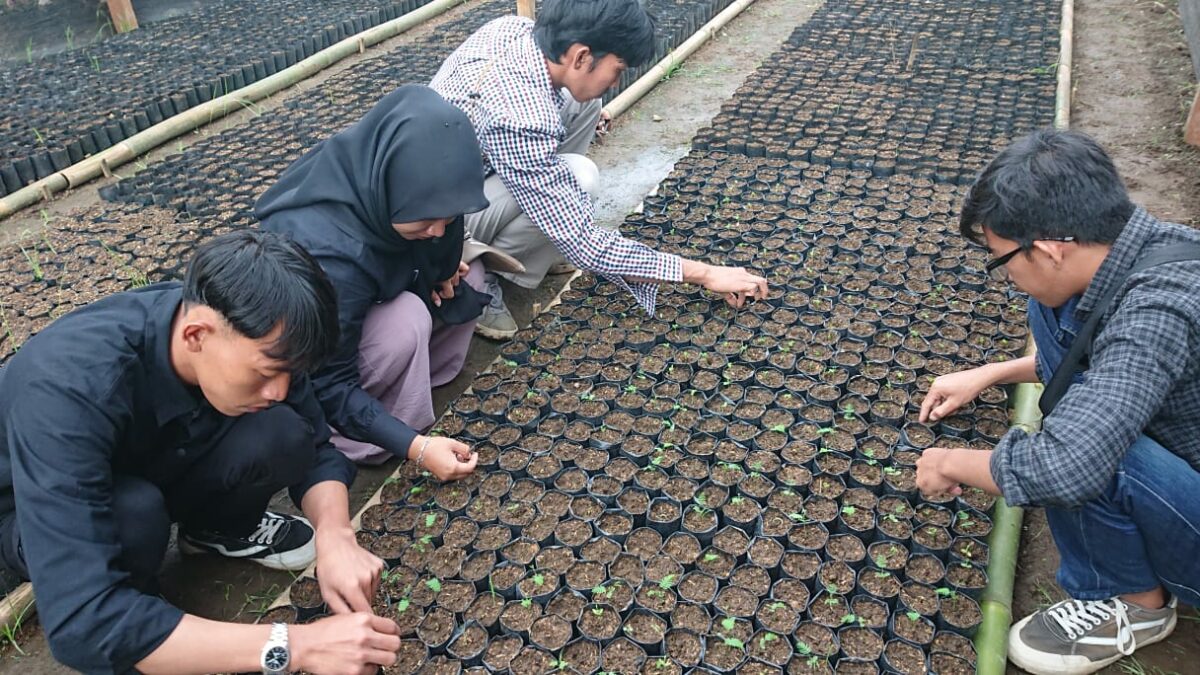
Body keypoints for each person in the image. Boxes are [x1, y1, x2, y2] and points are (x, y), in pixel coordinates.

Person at [0, 231, 401, 673]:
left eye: (290, 373)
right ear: (196, 335)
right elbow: (81, 623)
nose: (280, 389)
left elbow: (317, 446)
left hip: (152, 459)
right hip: (31, 507)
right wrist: (296, 645)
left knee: (284, 431)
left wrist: (336, 537)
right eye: (267, 372)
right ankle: (138, 616)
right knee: (133, 517)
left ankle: (214, 533)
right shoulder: (69, 389)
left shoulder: (256, 331)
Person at [913, 129, 1200, 675]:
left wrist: (951, 462)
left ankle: (1134, 607)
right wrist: (993, 373)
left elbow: (1069, 465)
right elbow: (1109, 359)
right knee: (1056, 322)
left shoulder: (1162, 308)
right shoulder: (1137, 251)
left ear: (1047, 248)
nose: (1006, 277)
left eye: (1000, 259)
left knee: (1089, 446)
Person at [431, 0, 768, 339]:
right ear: (581, 56)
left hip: (472, 170)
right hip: (439, 223)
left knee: (587, 103)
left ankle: (538, 244)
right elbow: (586, 244)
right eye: (618, 69)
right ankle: (484, 280)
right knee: (580, 178)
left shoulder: (514, 30)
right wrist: (705, 273)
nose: (617, 81)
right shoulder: (521, 116)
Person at [257, 84, 493, 477]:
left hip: (362, 304)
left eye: (448, 216)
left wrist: (444, 264)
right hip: (317, 358)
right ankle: (365, 439)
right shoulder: (330, 253)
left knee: (475, 275)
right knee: (406, 321)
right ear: (390, 187)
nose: (438, 230)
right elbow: (327, 380)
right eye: (426, 218)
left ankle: (414, 390)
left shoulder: (397, 184)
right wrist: (415, 448)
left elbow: (441, 238)